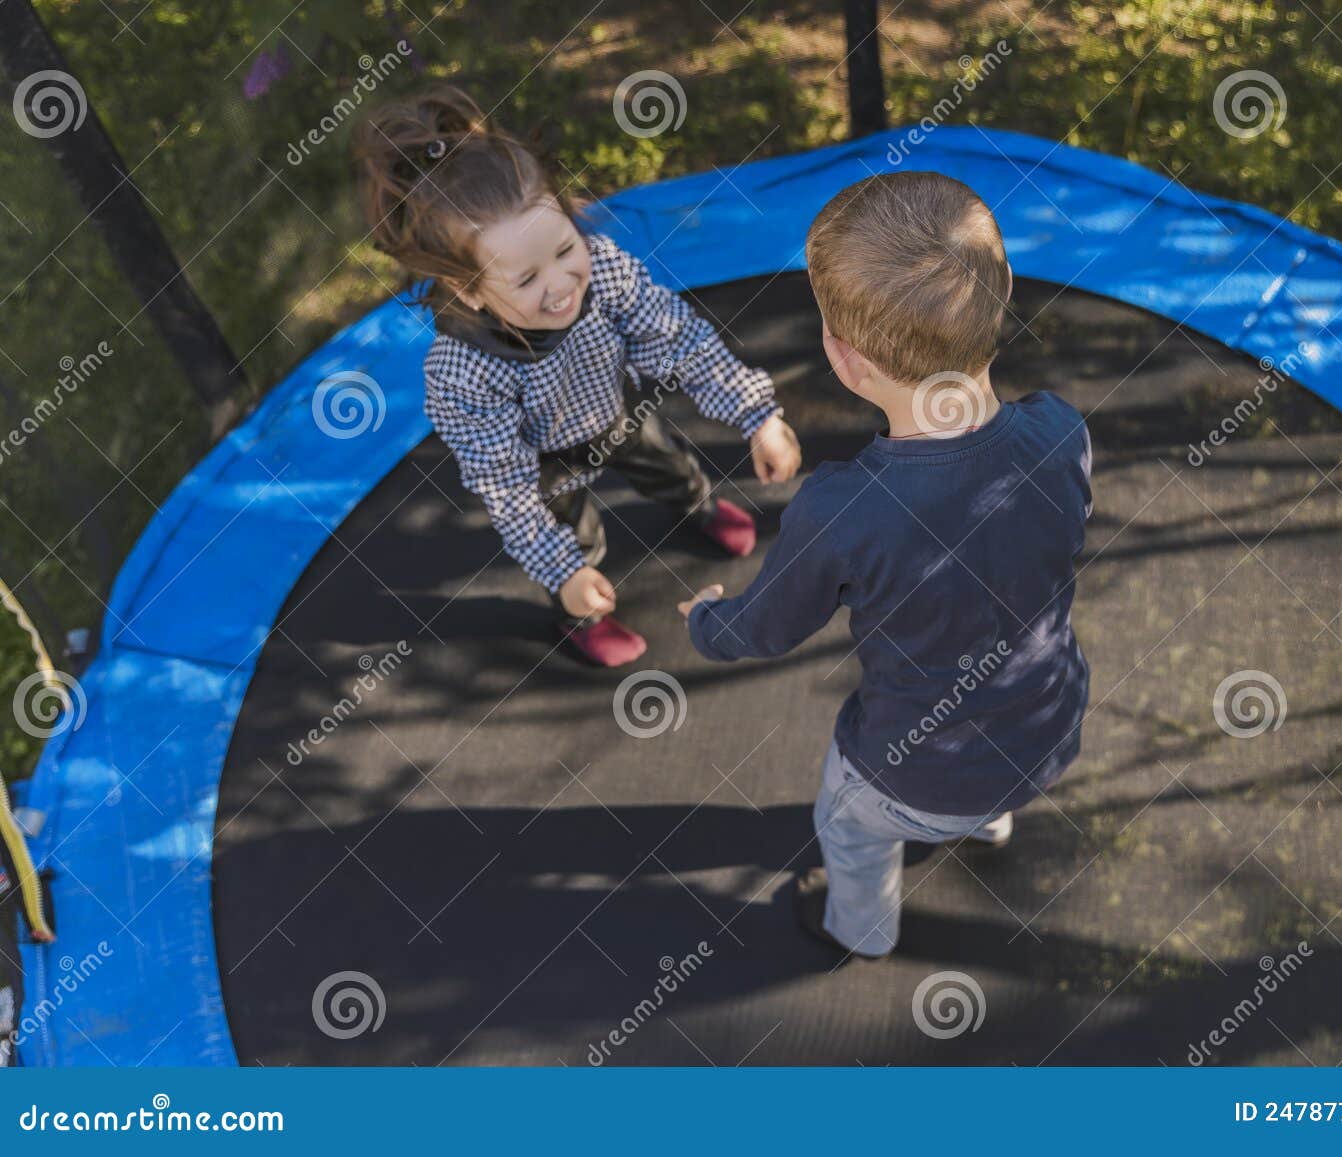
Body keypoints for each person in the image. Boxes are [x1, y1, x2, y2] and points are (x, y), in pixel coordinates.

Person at [680, 172, 1092, 957]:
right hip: (1050, 732)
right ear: (999, 306)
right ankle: (992, 819)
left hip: (912, 778)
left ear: (844, 357)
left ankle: (860, 930)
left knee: (847, 823)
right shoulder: (1060, 431)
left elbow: (764, 630)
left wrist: (706, 622)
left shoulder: (844, 509)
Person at [356, 86, 801, 666]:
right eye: (526, 280)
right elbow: (506, 491)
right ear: (469, 290)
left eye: (566, 248)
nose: (562, 285)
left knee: (671, 465)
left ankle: (696, 507)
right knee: (581, 540)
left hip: (614, 411)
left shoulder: (605, 270)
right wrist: (564, 571)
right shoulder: (464, 374)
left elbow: (677, 337)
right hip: (544, 462)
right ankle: (578, 614)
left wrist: (756, 414)